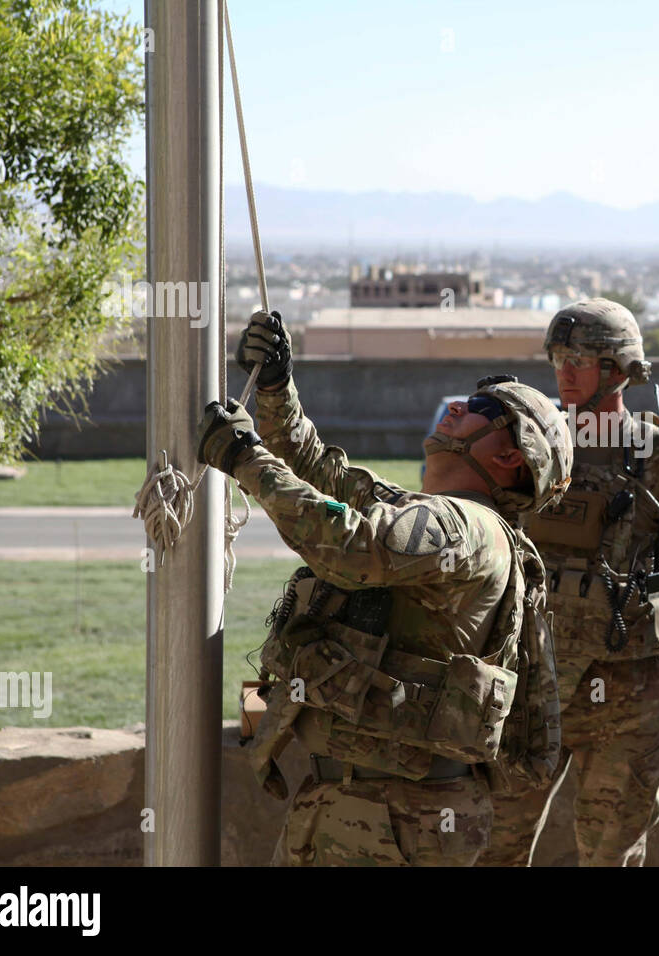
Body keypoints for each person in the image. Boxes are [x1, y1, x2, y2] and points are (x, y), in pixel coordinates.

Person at [198, 310, 572, 866]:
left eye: (484, 411)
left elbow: (349, 547)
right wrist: (275, 390)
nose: (459, 407)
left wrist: (243, 457)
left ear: (512, 457)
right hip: (357, 801)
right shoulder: (431, 517)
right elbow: (322, 474)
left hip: (402, 818)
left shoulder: (465, 528)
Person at [478, 297, 659, 867]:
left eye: (580, 359)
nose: (564, 372)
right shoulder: (528, 445)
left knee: (610, 853)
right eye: (558, 357)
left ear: (619, 370)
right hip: (528, 687)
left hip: (624, 694)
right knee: (493, 846)